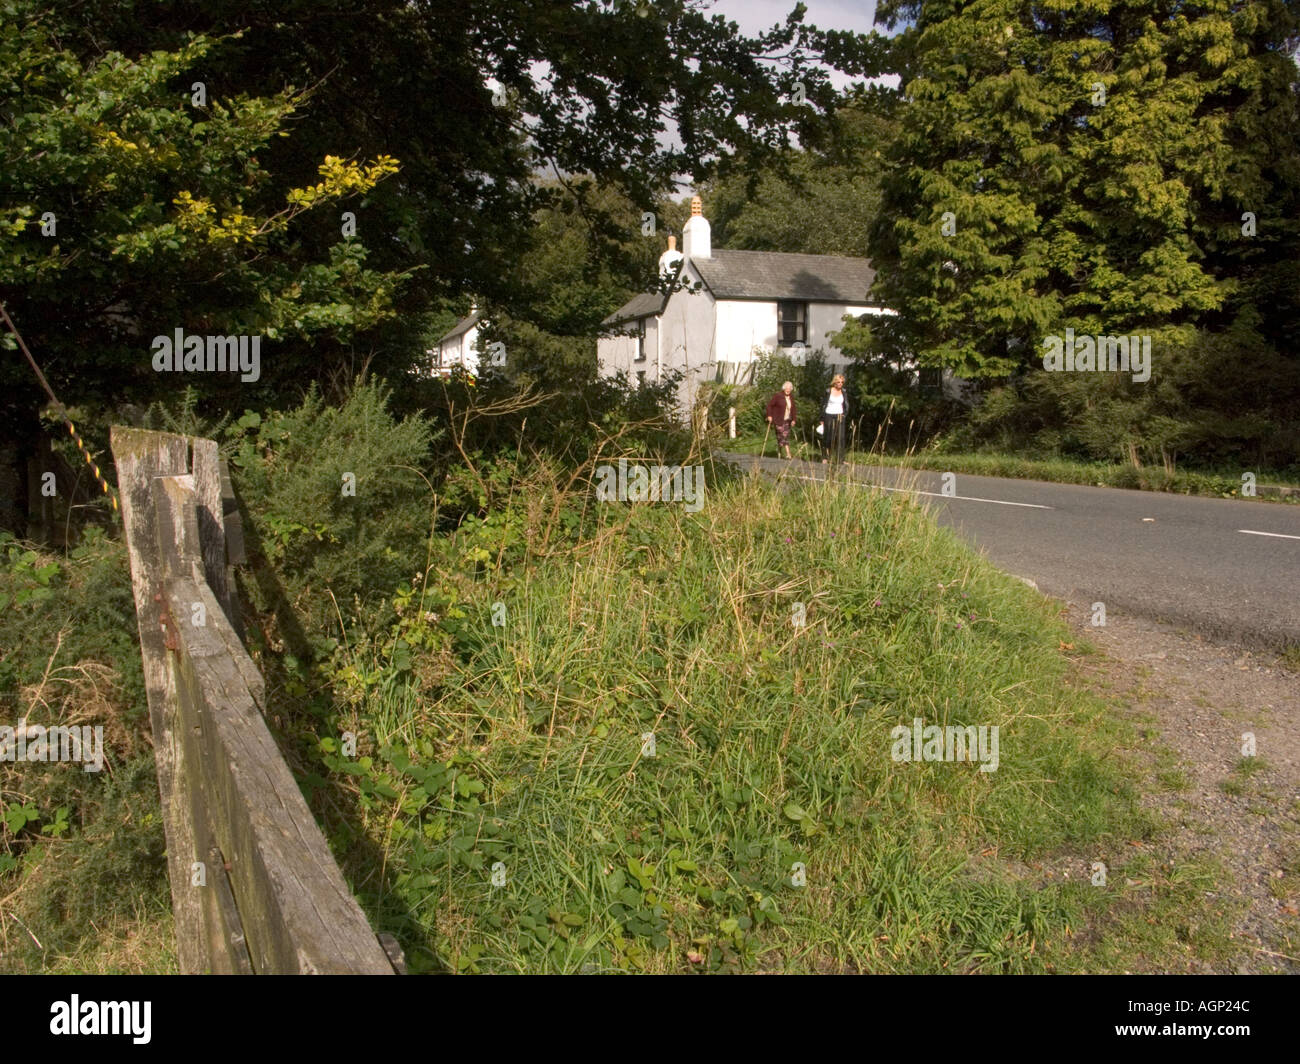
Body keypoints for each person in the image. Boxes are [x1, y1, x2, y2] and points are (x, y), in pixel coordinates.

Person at [764, 381, 797, 459]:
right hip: (778, 419)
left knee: (782, 436)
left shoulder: (791, 397)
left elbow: (793, 409)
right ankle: (788, 454)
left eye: (789, 388)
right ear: (784, 388)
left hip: (787, 420)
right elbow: (769, 406)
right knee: (783, 435)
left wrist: (794, 419)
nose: (788, 390)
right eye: (786, 388)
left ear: (791, 389)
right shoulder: (778, 396)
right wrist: (769, 415)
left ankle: (779, 452)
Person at [821, 374, 849, 466]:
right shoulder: (828, 391)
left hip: (840, 416)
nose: (840, 384)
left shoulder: (844, 392)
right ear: (834, 382)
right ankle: (825, 457)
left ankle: (841, 459)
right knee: (828, 437)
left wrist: (844, 414)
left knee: (840, 437)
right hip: (829, 415)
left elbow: (846, 404)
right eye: (838, 382)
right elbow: (823, 404)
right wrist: (821, 418)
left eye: (842, 382)